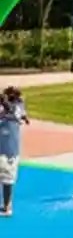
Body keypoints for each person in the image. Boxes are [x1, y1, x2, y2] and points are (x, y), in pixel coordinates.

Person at [0, 87, 31, 217]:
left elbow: (10, 109)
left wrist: (3, 101)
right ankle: (7, 205)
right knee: (7, 178)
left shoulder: (13, 109)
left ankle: (7, 207)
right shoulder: (18, 108)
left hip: (8, 151)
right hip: (7, 149)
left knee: (7, 179)